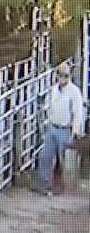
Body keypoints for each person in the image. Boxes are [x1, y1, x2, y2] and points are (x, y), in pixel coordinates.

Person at [36, 65, 86, 195]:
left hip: (65, 129)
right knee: (46, 156)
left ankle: (65, 187)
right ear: (57, 76)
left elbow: (77, 112)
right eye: (60, 75)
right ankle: (45, 185)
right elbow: (48, 107)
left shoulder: (74, 92)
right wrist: (46, 123)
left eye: (65, 75)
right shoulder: (53, 90)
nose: (62, 78)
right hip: (53, 127)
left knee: (64, 159)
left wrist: (75, 130)